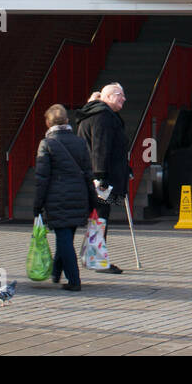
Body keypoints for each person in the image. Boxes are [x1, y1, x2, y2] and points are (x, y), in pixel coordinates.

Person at [32, 104, 97, 292]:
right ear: (67, 121)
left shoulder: (47, 144)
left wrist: (38, 204)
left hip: (57, 199)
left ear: (48, 122)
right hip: (79, 196)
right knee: (66, 236)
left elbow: (41, 178)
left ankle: (74, 280)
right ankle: (55, 272)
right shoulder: (79, 142)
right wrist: (93, 201)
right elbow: (88, 172)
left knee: (64, 239)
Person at [75, 82, 130, 273]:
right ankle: (96, 259)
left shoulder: (93, 114)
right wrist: (101, 177)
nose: (123, 98)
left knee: (98, 216)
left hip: (93, 175)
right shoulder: (103, 117)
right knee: (100, 216)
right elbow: (100, 147)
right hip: (100, 178)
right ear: (107, 97)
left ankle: (90, 256)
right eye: (119, 94)